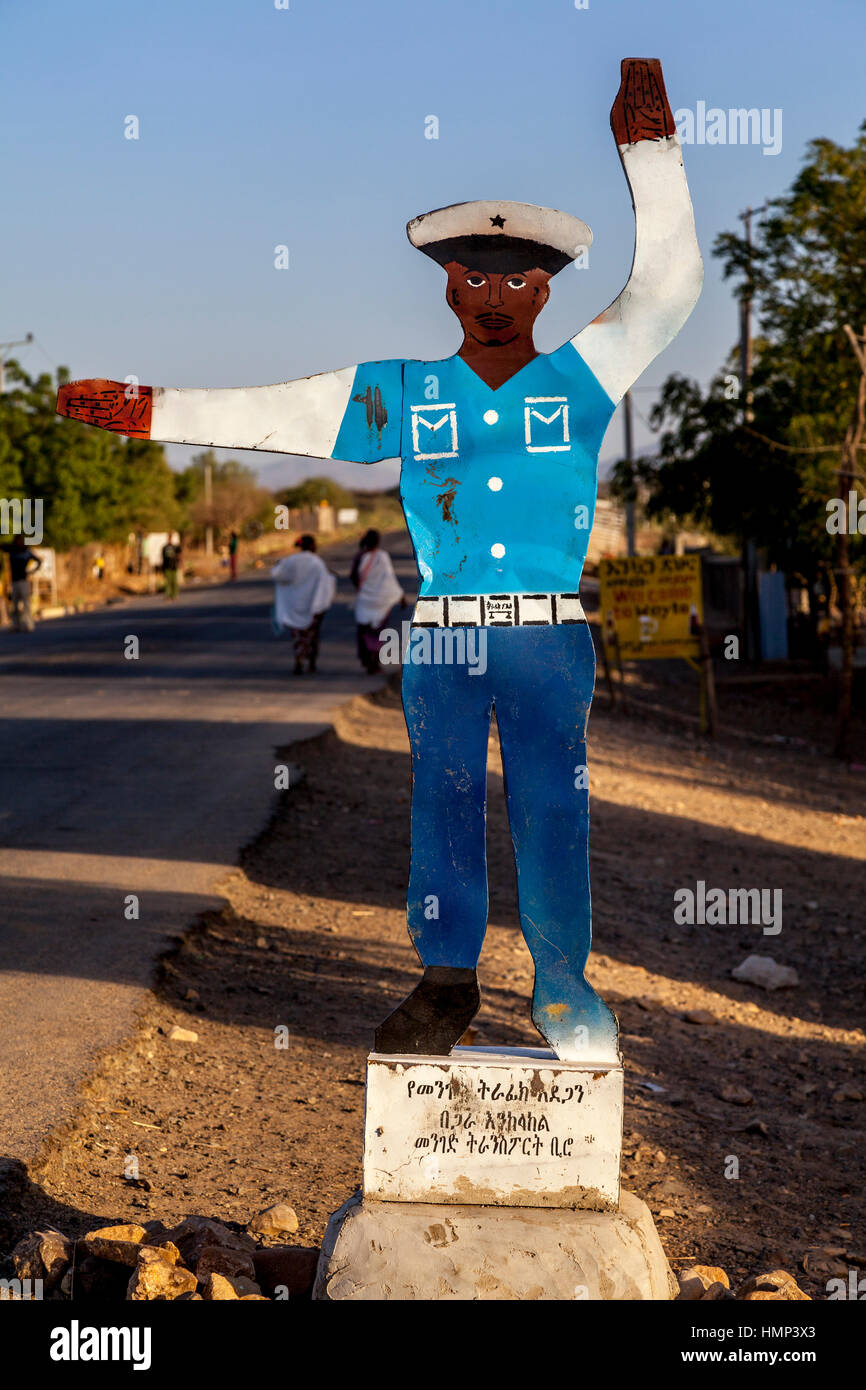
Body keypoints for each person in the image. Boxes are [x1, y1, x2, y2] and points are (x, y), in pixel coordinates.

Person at [56, 59, 701, 1064]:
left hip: (543, 638)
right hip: (442, 644)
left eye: (518, 279)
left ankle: (564, 987)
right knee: (439, 800)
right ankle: (444, 982)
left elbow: (667, 288)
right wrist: (155, 410)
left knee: (549, 804)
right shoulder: (400, 390)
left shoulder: (581, 377)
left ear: (545, 288)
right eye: (472, 276)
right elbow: (273, 410)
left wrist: (649, 153)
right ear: (446, 284)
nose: (493, 295)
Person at [271, 534, 336, 674]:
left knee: (297, 635)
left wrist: (280, 563)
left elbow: (278, 574)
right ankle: (311, 663)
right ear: (312, 545)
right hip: (313, 606)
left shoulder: (291, 561)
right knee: (312, 635)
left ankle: (298, 657)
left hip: (294, 605)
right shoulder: (317, 562)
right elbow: (325, 584)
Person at [351, 529, 404, 673]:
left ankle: (368, 660)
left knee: (364, 631)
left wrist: (363, 589)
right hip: (381, 601)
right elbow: (389, 578)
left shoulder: (360, 556)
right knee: (378, 632)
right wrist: (401, 596)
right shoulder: (382, 556)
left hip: (364, 600)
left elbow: (353, 576)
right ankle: (375, 660)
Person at [2, 535, 42, 632]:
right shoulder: (12, 550)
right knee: (15, 605)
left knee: (26, 604)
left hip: (24, 581)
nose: (19, 542)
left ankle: (29, 625)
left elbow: (38, 561)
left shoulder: (26, 551)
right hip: (14, 582)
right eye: (17, 540)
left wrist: (31, 571)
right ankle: (16, 625)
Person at [161, 533, 180, 600]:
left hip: (174, 567)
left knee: (174, 582)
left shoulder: (175, 547)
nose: (170, 539)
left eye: (171, 538)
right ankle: (167, 595)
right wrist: (162, 567)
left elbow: (179, 556)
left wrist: (180, 564)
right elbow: (162, 558)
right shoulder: (164, 547)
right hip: (167, 567)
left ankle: (174, 595)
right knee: (167, 582)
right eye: (169, 538)